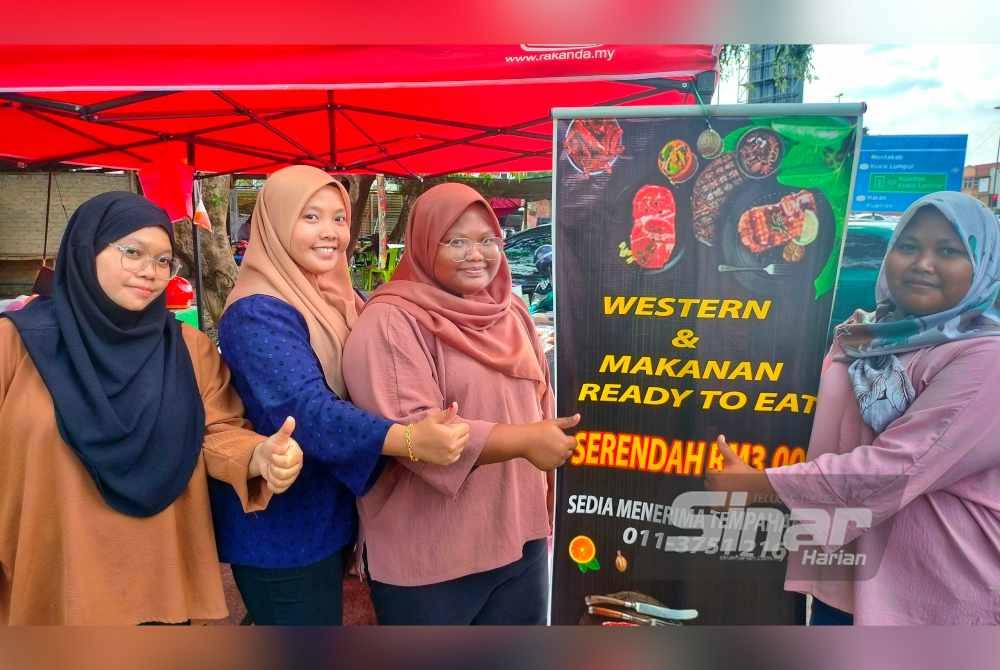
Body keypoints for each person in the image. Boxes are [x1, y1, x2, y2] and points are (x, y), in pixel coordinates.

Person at [0, 192, 304, 625]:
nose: (151, 272)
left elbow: (218, 431)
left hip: (156, 576)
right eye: (133, 252)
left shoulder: (188, 349)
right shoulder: (17, 343)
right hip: (53, 575)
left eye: (164, 261)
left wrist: (259, 456)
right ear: (87, 250)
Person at [705, 191, 1000, 625]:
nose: (922, 263)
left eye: (949, 250)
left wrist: (759, 484)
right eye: (908, 246)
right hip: (845, 581)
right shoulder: (864, 339)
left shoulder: (984, 358)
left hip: (932, 597)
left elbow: (895, 468)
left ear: (984, 265)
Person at [212, 166, 469, 625]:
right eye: (310, 217)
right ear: (273, 222)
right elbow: (306, 411)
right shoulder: (256, 313)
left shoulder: (340, 297)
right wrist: (407, 439)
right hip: (283, 530)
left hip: (329, 515)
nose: (330, 232)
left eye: (338, 218)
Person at [343, 182, 581, 625]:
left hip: (519, 536)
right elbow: (417, 434)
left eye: (488, 240)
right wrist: (526, 440)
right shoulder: (392, 322)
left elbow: (539, 400)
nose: (478, 254)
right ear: (424, 244)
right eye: (457, 242)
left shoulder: (510, 312)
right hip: (432, 556)